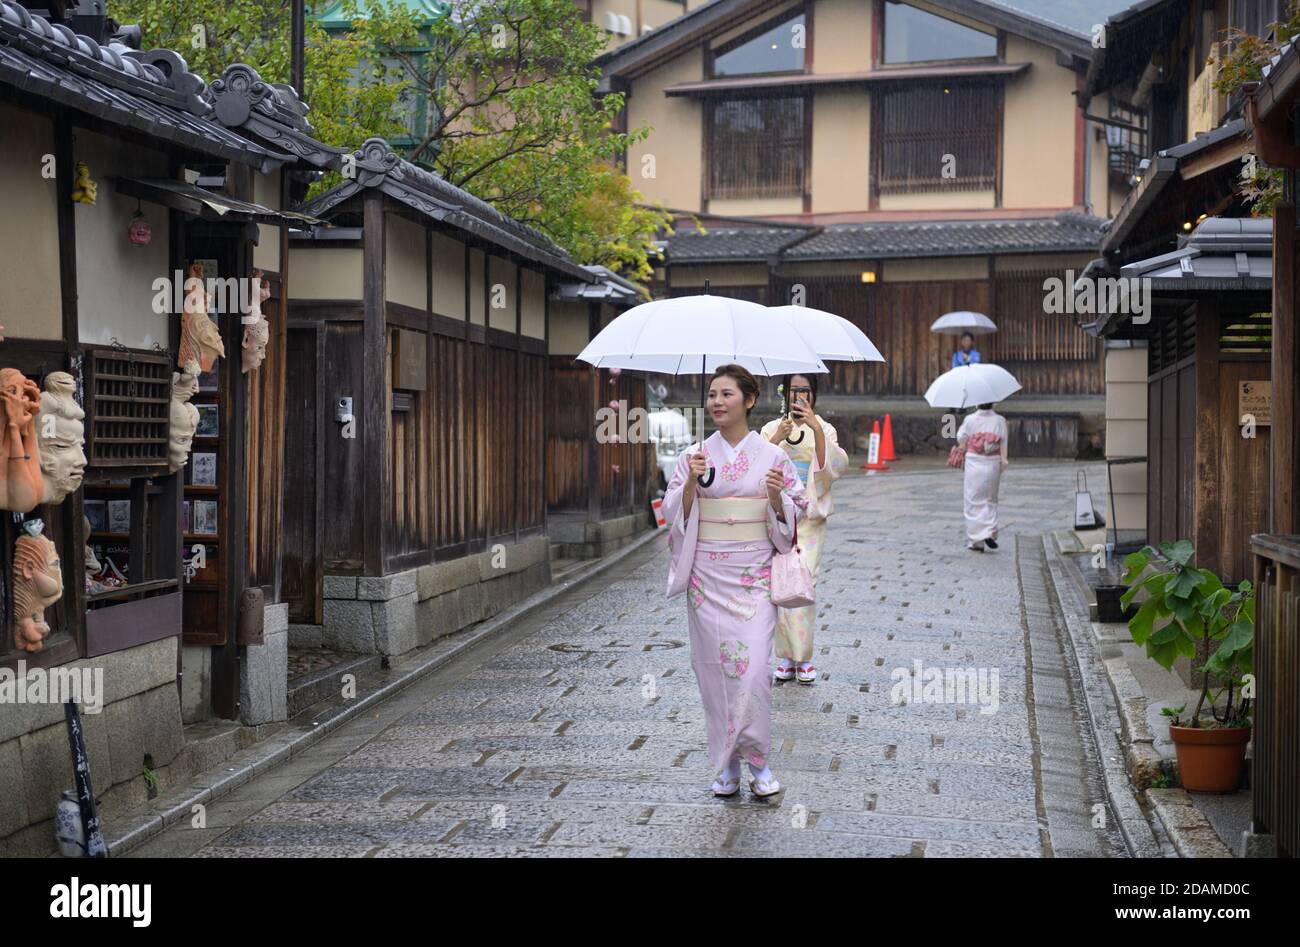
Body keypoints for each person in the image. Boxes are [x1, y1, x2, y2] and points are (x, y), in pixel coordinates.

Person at [662, 364, 808, 798]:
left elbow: (796, 513)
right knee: (714, 672)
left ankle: (759, 762)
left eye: (726, 394)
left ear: (749, 399)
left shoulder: (773, 456)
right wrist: (690, 482)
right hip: (707, 576)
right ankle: (726, 763)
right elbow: (672, 513)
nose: (716, 402)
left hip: (755, 576)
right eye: (711, 394)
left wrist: (778, 496)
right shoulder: (694, 455)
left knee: (754, 671)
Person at [760, 373, 847, 685]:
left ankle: (804, 657)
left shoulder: (824, 428)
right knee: (779, 584)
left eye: (805, 391)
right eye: (794, 390)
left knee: (805, 581)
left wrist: (816, 431)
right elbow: (755, 465)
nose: (799, 397)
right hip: (778, 514)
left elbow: (830, 471)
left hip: (809, 518)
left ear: (814, 394)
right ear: (785, 394)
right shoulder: (772, 428)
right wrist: (776, 439)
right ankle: (785, 656)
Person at [955, 402, 1008, 551]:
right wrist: (1003, 461)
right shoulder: (1000, 420)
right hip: (992, 462)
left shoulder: (970, 419)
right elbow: (1004, 442)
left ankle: (975, 541)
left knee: (972, 500)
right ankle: (989, 530)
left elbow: (961, 438)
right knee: (990, 499)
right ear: (993, 403)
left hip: (974, 462)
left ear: (977, 403)